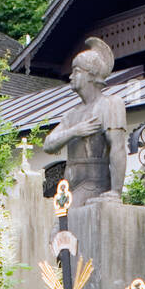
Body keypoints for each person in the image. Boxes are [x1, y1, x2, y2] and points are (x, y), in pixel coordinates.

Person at [42, 37, 126, 209]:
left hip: (93, 186)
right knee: (57, 233)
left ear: (91, 75)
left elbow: (118, 149)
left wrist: (116, 192)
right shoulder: (72, 114)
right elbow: (48, 144)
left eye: (77, 71)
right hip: (69, 187)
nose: (71, 76)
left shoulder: (110, 104)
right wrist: (75, 131)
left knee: (63, 230)